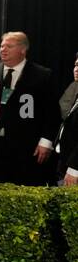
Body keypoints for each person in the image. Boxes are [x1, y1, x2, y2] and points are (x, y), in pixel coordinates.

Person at [0, 31, 58, 185]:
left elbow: (51, 112)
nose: (3, 50)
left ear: (23, 50)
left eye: (9, 46)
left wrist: (46, 141)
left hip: (25, 145)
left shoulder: (42, 75)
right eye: (2, 46)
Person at [54, 52, 78, 185]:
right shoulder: (75, 90)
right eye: (76, 65)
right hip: (65, 161)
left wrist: (75, 168)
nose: (76, 69)